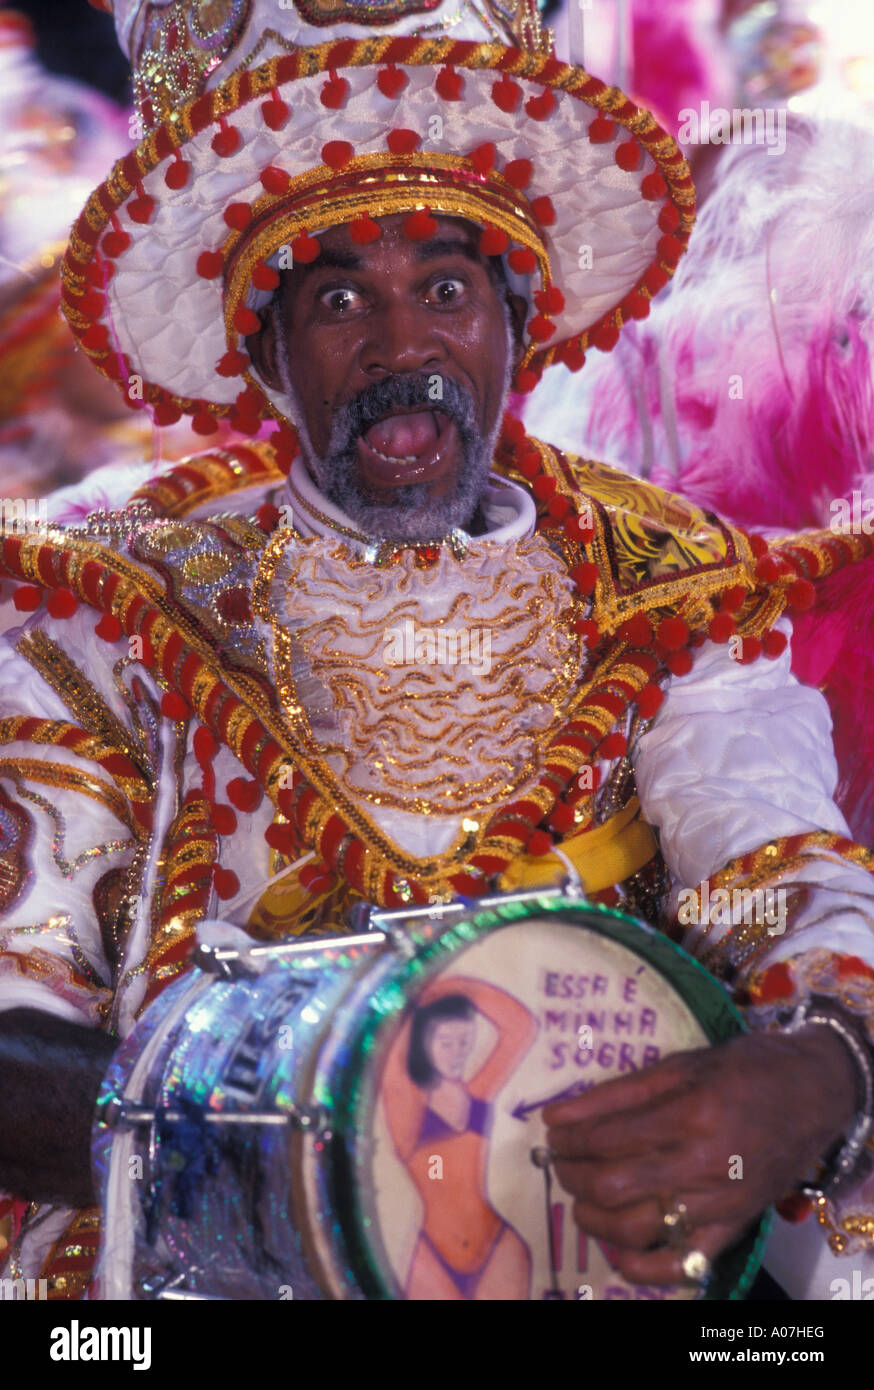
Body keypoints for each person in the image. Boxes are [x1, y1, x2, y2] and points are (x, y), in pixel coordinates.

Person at [0, 0, 873, 1300]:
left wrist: (817, 1063)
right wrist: (351, 1159)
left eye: (448, 290)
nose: (403, 350)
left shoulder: (660, 582)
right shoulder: (111, 602)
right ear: (260, 351)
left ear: (518, 325)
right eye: (341, 297)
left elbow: (765, 875)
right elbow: (23, 1023)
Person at [382, 976, 537, 1299]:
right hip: (433, 1259)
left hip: (498, 1249)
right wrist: (425, 993)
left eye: (465, 1042)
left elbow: (521, 1028)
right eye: (445, 1042)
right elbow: (392, 1038)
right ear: (423, 1043)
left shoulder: (477, 1093)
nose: (457, 1053)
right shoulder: (407, 1105)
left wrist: (458, 986)